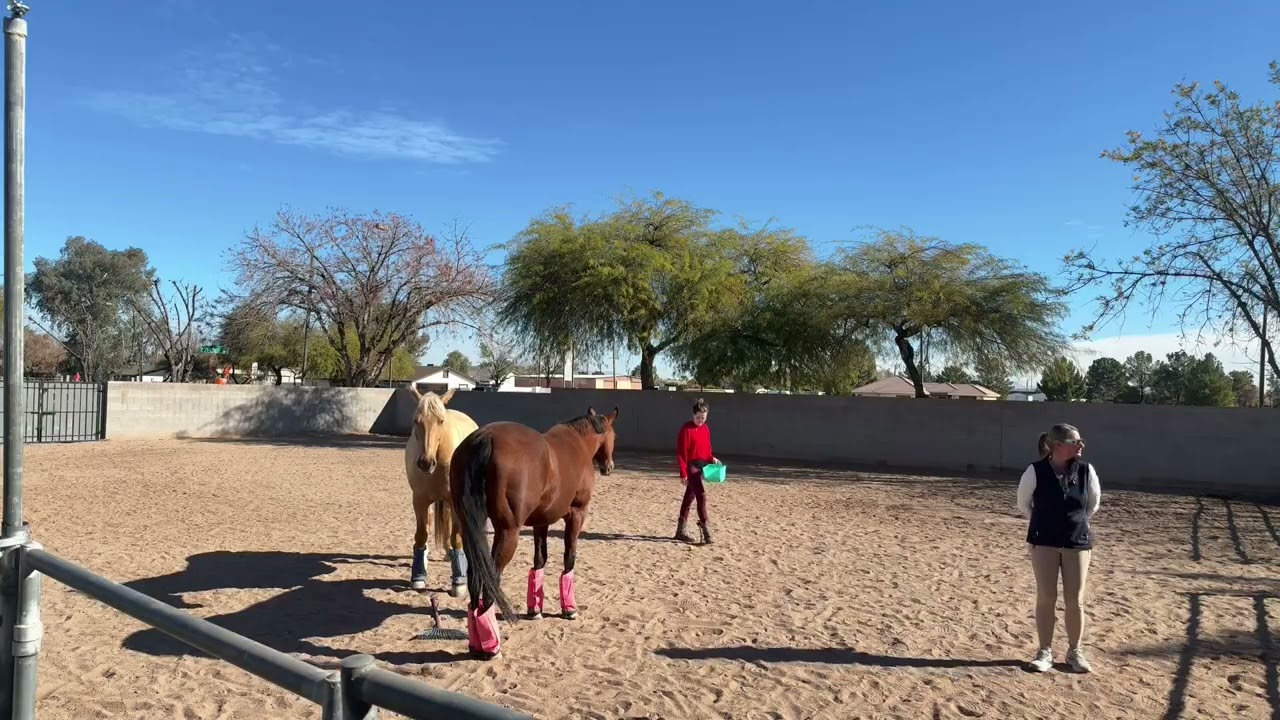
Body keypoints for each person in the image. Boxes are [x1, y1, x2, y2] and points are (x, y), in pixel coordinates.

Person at [1016, 422, 1101, 674]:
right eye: (1075, 442)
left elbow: (1092, 505)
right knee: (1046, 597)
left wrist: (1074, 524)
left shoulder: (1086, 471)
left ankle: (1075, 651)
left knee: (1075, 600)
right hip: (1044, 542)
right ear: (1057, 445)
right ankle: (1044, 651)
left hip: (1077, 542)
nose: (1081, 445)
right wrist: (1043, 524)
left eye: (1081, 441)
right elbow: (1023, 504)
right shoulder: (1035, 471)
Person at [675, 398, 719, 545]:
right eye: (698, 417)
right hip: (691, 467)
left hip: (701, 466)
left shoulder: (705, 429)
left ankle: (680, 530)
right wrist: (683, 473)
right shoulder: (686, 429)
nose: (700, 420)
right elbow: (681, 453)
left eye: (703, 418)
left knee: (689, 496)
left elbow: (706, 449)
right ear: (693, 415)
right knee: (701, 495)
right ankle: (705, 528)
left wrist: (712, 458)